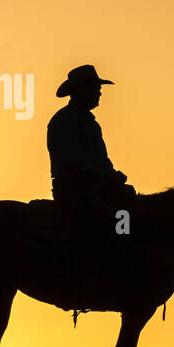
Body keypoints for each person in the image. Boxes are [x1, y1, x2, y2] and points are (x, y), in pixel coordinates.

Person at [46, 64, 136, 250]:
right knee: (117, 212)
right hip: (74, 188)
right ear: (80, 90)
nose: (99, 93)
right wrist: (105, 175)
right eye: (96, 88)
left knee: (129, 203)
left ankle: (123, 244)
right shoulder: (64, 120)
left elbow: (102, 159)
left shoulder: (90, 123)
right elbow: (72, 161)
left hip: (93, 185)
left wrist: (112, 174)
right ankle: (121, 247)